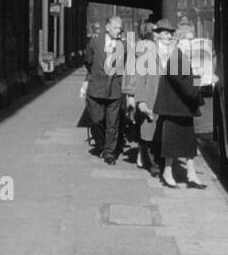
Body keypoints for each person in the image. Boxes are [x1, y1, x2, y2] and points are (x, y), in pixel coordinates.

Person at [152, 20, 206, 189]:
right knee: (172, 143)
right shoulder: (177, 57)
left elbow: (191, 79)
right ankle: (168, 172)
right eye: (188, 40)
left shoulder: (181, 56)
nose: (191, 43)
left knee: (188, 142)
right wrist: (200, 84)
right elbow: (183, 84)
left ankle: (191, 173)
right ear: (180, 40)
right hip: (174, 108)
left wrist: (201, 79)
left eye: (192, 40)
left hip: (181, 107)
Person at [81, 15, 125, 164]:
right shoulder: (95, 42)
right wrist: (93, 76)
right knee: (96, 120)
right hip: (96, 88)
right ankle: (101, 145)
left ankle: (109, 153)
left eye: (120, 28)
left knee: (112, 123)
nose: (119, 31)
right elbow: (88, 61)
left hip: (114, 90)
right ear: (107, 27)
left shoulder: (123, 46)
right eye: (115, 27)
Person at [126, 22, 161, 176]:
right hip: (146, 92)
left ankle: (142, 155)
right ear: (150, 33)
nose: (159, 33)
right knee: (148, 125)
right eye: (156, 31)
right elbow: (134, 73)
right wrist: (135, 97)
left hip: (144, 92)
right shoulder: (146, 47)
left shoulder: (146, 46)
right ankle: (153, 164)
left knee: (144, 125)